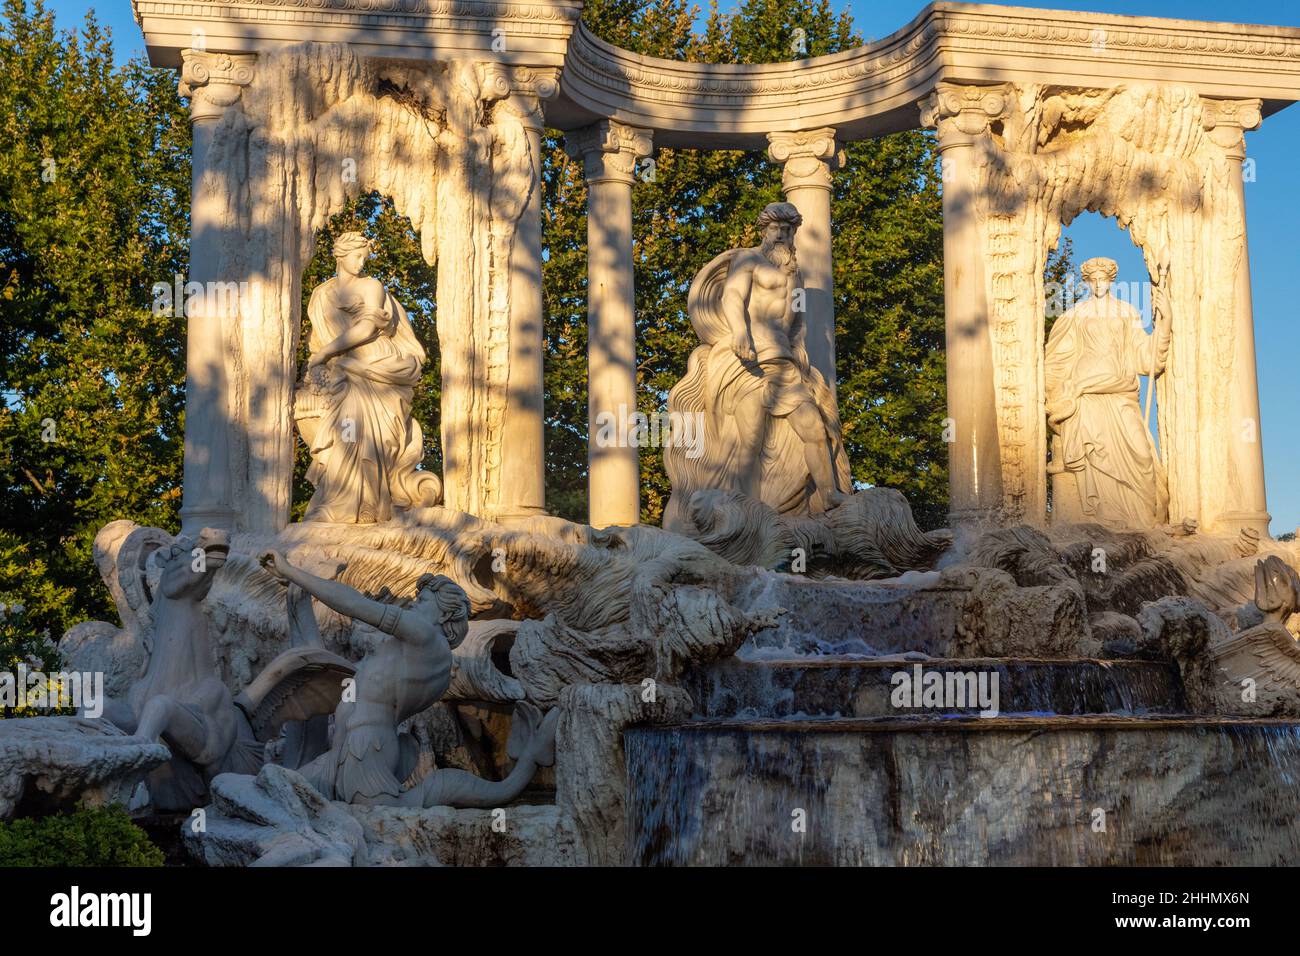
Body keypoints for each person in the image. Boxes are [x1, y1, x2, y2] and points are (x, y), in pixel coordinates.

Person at [299, 232, 440, 523]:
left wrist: (326, 353)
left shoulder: (371, 286)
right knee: (347, 434)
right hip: (345, 369)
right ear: (340, 255)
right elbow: (317, 338)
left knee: (367, 436)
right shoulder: (322, 295)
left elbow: (366, 329)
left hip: (375, 364)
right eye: (357, 256)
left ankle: (365, 508)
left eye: (365, 256)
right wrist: (320, 363)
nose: (362, 261)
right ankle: (343, 503)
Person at [1045, 257, 1171, 529]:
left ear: (1111, 280)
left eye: (1104, 278)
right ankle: (1104, 523)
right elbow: (1057, 358)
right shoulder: (1075, 315)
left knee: (1142, 455)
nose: (1099, 283)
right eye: (1094, 279)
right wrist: (1058, 394)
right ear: (1087, 282)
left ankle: (1142, 525)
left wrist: (1165, 320)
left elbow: (1145, 357)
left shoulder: (1127, 312)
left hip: (1120, 393)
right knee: (1093, 457)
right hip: (1086, 395)